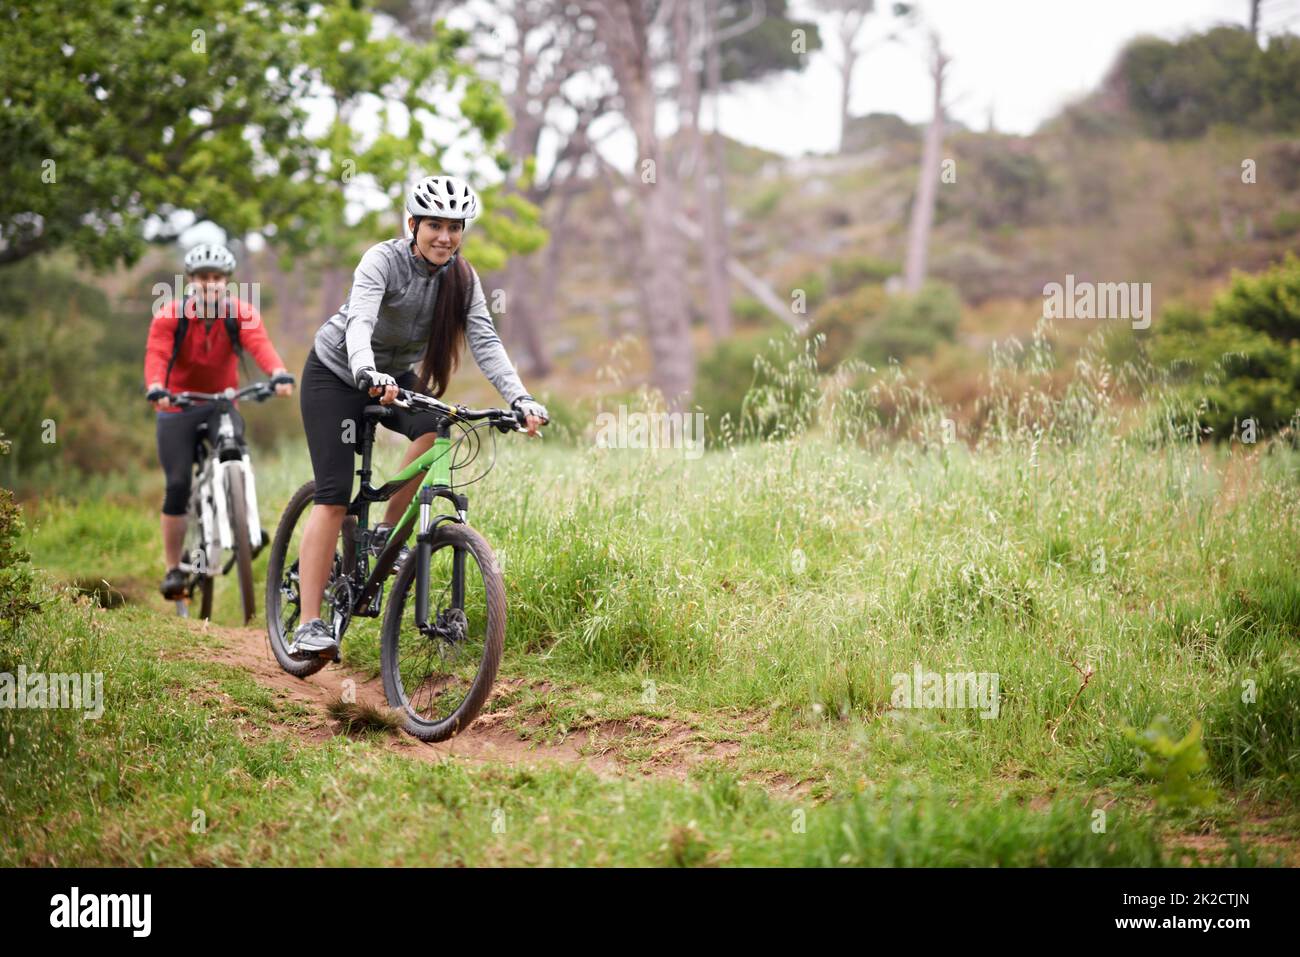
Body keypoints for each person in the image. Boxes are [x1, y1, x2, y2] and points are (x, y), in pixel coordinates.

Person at [289, 174, 548, 658]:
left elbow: (486, 342)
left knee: (436, 428)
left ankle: (386, 534)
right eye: (434, 225)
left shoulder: (462, 278)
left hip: (393, 375)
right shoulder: (381, 261)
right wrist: (366, 370)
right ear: (412, 224)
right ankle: (308, 624)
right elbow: (361, 320)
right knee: (333, 495)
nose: (445, 236)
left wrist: (521, 399)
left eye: (455, 227)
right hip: (337, 372)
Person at [144, 242, 294, 599]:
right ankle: (173, 569)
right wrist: (156, 387)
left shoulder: (240, 314)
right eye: (202, 278)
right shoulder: (169, 316)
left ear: (226, 281)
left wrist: (278, 373)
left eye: (217, 278)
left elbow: (260, 345)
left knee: (235, 451)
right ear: (191, 280)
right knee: (178, 483)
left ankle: (247, 527)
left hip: (222, 404)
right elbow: (158, 354)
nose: (210, 284)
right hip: (177, 405)